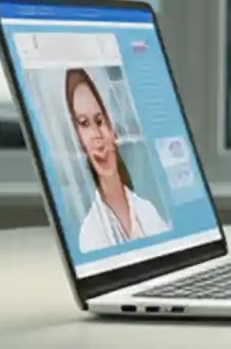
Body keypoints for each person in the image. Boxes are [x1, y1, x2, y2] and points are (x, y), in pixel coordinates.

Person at [66, 68, 170, 252]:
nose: (97, 136)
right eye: (84, 124)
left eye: (99, 121)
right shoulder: (90, 234)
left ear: (112, 130)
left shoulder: (148, 211)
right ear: (79, 140)